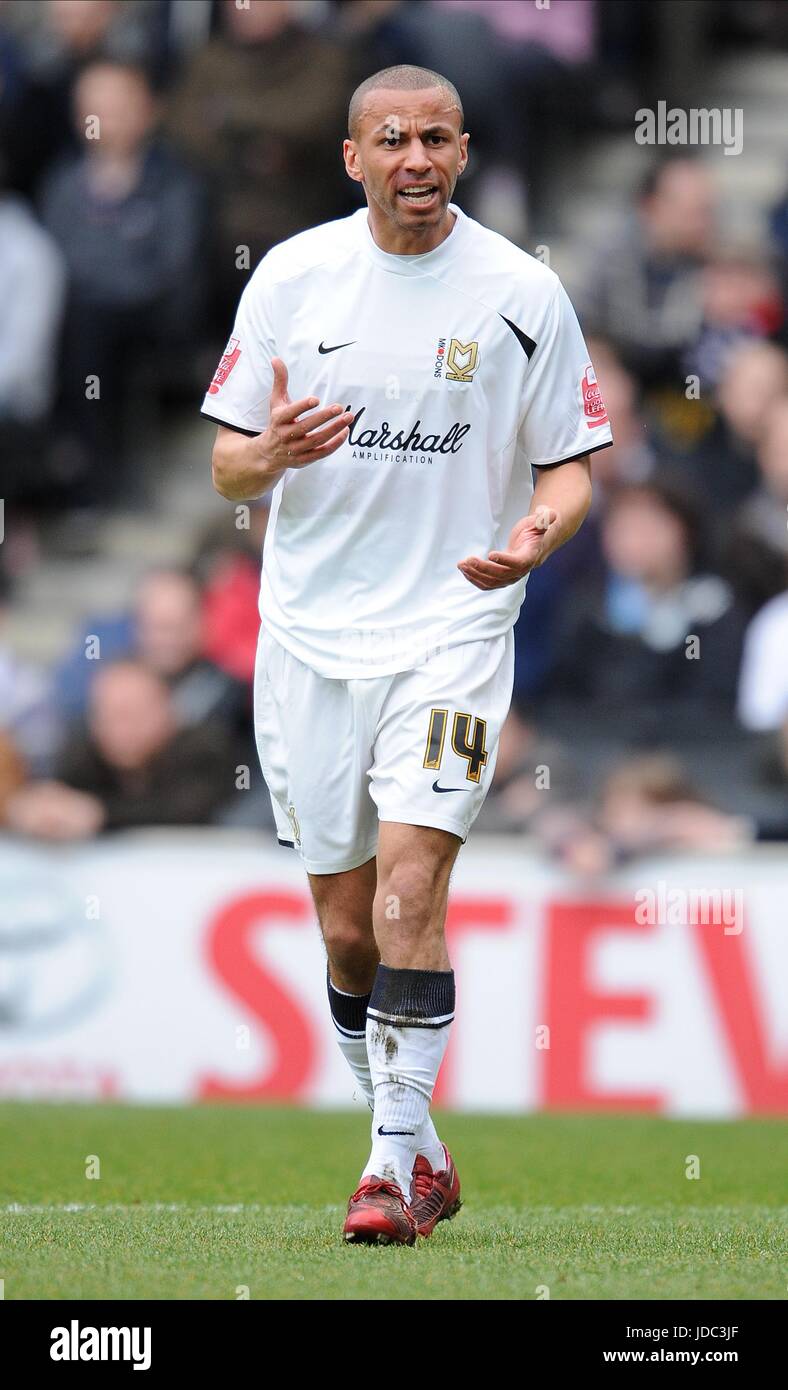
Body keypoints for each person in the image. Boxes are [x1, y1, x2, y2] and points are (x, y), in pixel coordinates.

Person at [203, 64, 612, 1247]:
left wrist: (533, 536)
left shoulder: (520, 292)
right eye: (392, 139)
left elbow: (568, 465)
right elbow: (226, 464)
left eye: (436, 137)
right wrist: (268, 453)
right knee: (344, 931)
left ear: (465, 150)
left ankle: (383, 1171)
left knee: (407, 893)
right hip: (311, 640)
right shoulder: (293, 276)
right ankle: (421, 1153)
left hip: (451, 629)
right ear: (353, 158)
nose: (415, 158)